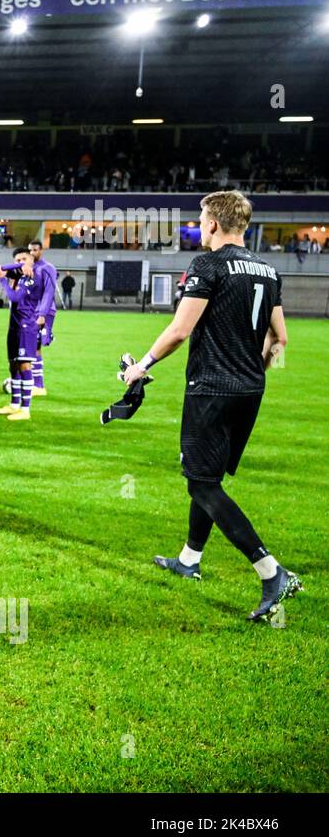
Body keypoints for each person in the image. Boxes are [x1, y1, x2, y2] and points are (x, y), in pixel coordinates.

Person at [122, 191, 300, 622]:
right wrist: (250, 367)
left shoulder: (208, 265)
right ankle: (189, 559)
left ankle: (271, 571)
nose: (200, 228)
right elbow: (281, 338)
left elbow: (181, 331)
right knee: (208, 476)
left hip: (212, 389)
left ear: (214, 225)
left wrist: (141, 366)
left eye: (201, 221)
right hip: (249, 390)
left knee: (202, 484)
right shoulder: (267, 269)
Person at [0, 247, 40, 421]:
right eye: (17, 260)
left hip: (26, 327)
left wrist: (2, 281)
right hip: (14, 327)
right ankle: (14, 404)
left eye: (24, 259)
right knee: (13, 365)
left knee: (25, 365)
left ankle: (25, 409)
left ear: (32, 261)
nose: (20, 263)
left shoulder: (32, 278)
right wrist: (12, 268)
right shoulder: (18, 275)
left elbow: (14, 298)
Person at [27, 240, 57, 396]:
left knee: (36, 347)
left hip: (43, 313)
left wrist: (42, 315)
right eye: (30, 250)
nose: (32, 253)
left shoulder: (48, 268)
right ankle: (35, 384)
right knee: (32, 347)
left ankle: (39, 386)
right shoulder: (31, 268)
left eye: (35, 250)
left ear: (42, 250)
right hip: (32, 313)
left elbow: (49, 292)